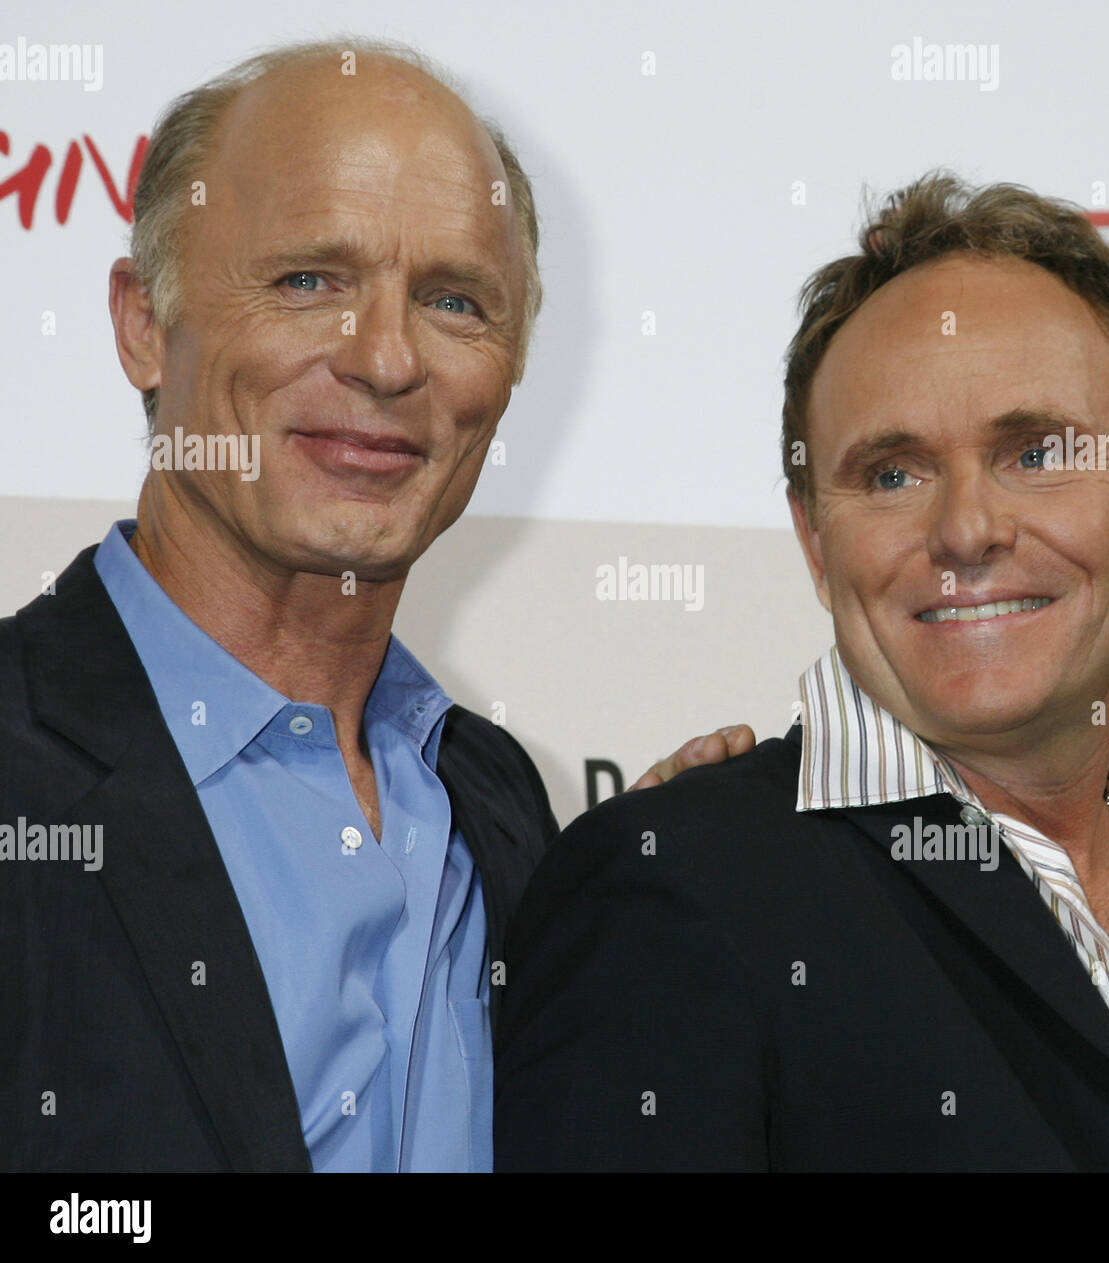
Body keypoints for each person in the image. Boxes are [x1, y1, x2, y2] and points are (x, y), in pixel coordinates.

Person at [0, 37, 749, 1174]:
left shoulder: (500, 811)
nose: (387, 358)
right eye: (309, 281)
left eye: (454, 301)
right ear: (143, 323)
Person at [493, 173, 1109, 1172]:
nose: (966, 528)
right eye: (892, 474)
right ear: (816, 542)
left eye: (1035, 451)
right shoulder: (676, 886)